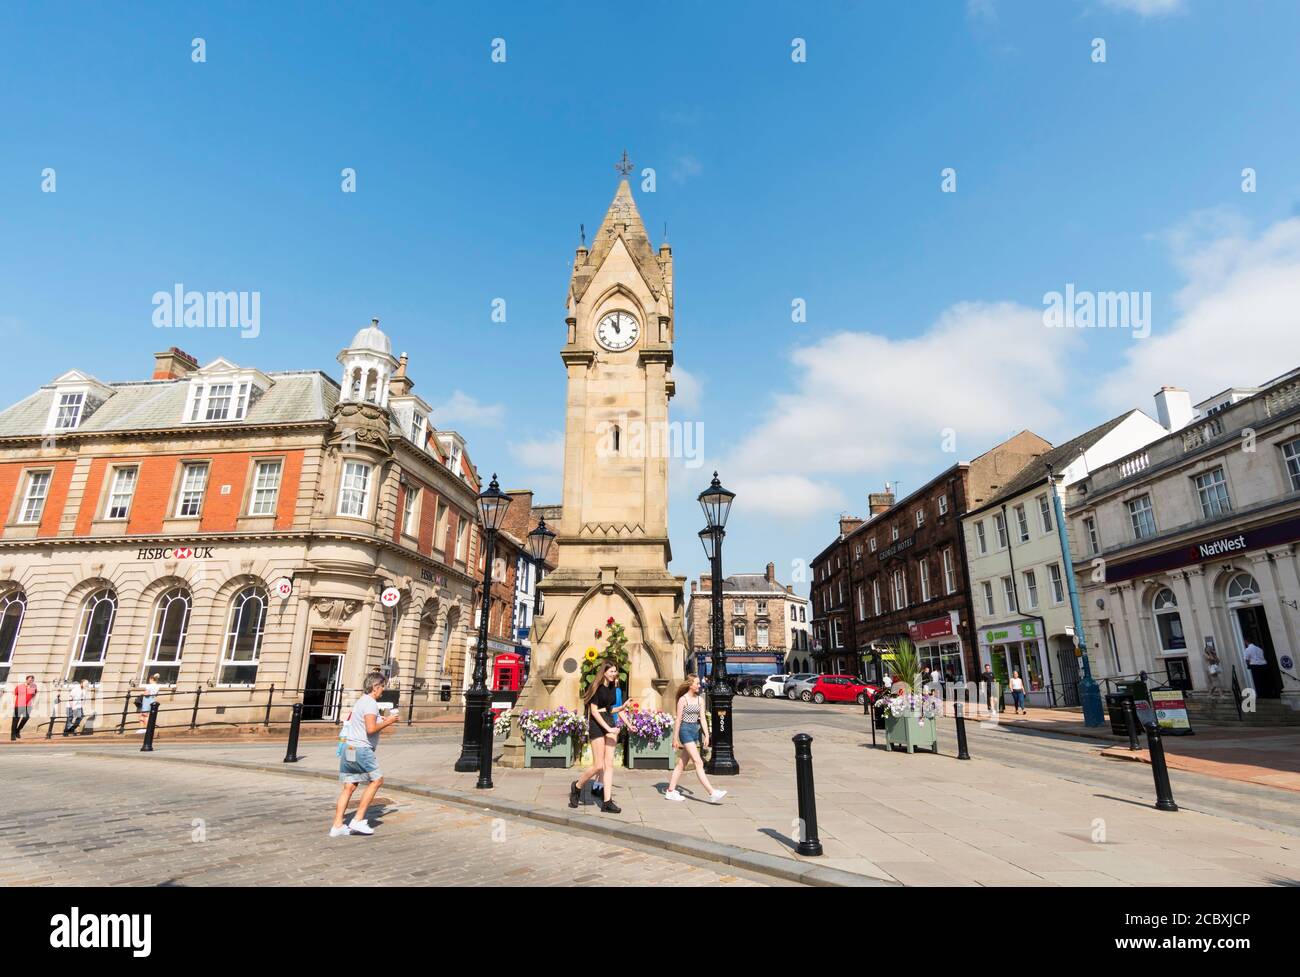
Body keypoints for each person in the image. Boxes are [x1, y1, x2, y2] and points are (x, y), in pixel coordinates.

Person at [331, 671, 401, 837]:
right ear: (375, 687)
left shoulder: (361, 701)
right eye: (382, 687)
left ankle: (338, 825)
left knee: (349, 786)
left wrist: (380, 720)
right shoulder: (370, 703)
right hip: (361, 749)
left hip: (349, 748)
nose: (383, 690)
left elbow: (363, 723)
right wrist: (389, 722)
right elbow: (370, 729)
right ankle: (358, 820)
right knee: (377, 780)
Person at [569, 659, 625, 814]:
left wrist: (622, 707)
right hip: (597, 726)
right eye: (611, 671)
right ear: (604, 673)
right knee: (598, 765)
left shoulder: (613, 688)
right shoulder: (596, 687)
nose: (614, 674)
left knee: (609, 765)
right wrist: (608, 728)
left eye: (615, 671)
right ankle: (577, 786)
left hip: (608, 724)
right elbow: (594, 712)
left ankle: (607, 802)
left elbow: (608, 710)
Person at [664, 675, 726, 803]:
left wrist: (707, 735)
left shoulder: (700, 700)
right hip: (685, 730)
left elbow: (702, 718)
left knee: (682, 764)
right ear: (690, 684)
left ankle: (670, 791)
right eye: (697, 683)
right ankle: (712, 792)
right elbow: (679, 720)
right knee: (699, 762)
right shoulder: (683, 699)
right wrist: (675, 738)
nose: (699, 685)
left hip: (694, 731)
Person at [10, 676, 37, 740]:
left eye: (32, 680)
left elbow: (34, 695)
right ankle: (13, 735)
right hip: (18, 706)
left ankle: (18, 730)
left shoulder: (33, 688)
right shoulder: (20, 686)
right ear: (26, 680)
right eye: (30, 680)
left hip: (27, 706)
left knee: (26, 717)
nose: (31, 681)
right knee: (15, 721)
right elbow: (14, 694)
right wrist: (13, 704)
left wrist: (32, 703)